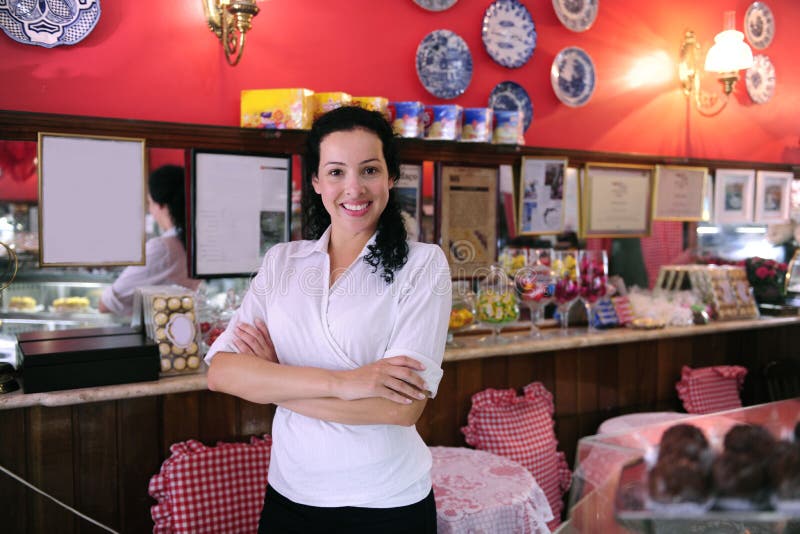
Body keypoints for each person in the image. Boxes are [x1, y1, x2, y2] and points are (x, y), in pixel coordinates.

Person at [204, 106, 451, 533]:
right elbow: (222, 372)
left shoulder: (423, 264)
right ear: (316, 182)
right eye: (336, 172)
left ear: (392, 176)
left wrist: (273, 381)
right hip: (289, 494)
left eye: (369, 169)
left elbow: (401, 409)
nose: (353, 188)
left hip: (386, 501)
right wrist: (346, 383)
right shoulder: (283, 261)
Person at [99, 165, 199, 316]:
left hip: (157, 332)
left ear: (161, 206)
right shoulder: (195, 242)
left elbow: (106, 305)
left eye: (149, 203)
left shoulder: (162, 248)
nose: (150, 210)